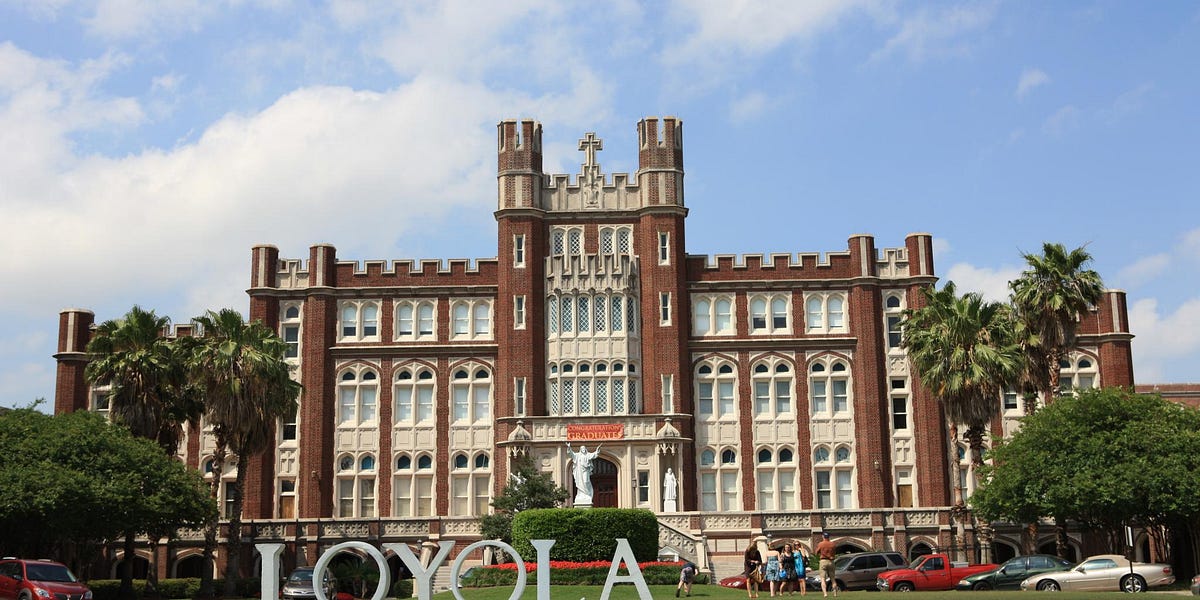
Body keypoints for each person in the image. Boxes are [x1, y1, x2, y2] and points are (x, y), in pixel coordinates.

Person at [814, 532, 837, 598]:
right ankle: (835, 593)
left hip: (823, 561)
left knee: (823, 578)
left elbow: (816, 553)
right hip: (831, 561)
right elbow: (834, 553)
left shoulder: (821, 544)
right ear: (829, 537)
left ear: (823, 536)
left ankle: (825, 593)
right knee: (833, 579)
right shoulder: (832, 544)